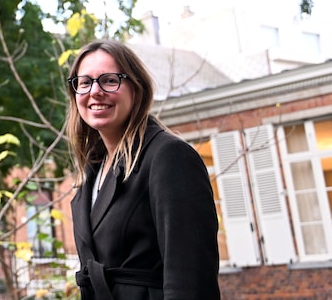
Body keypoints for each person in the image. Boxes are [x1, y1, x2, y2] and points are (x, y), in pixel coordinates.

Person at [65, 40, 220, 300]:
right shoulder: (92, 173)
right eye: (85, 82)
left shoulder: (169, 156)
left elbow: (191, 279)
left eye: (110, 80)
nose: (95, 91)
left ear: (136, 89)